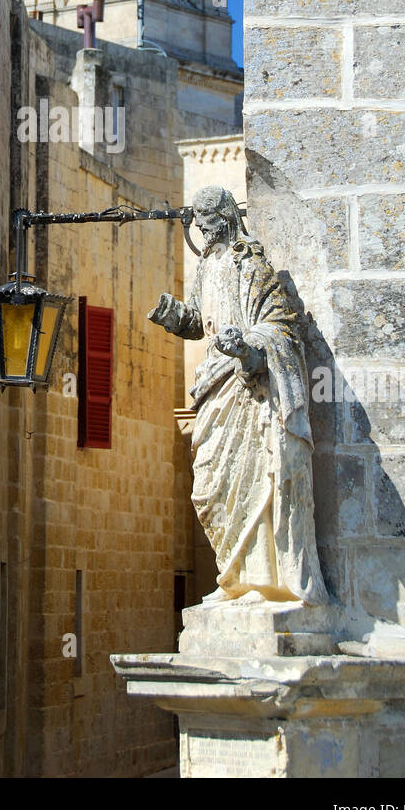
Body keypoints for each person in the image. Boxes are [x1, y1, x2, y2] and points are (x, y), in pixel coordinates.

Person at [149, 185, 327, 606]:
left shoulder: (252, 266)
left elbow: (280, 326)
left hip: (249, 390)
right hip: (214, 386)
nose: (201, 232)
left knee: (252, 475)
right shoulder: (207, 268)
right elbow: (199, 320)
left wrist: (247, 348)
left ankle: (260, 581)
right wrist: (175, 316)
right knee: (212, 484)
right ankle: (233, 574)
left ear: (224, 221)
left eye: (206, 224)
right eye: (197, 223)